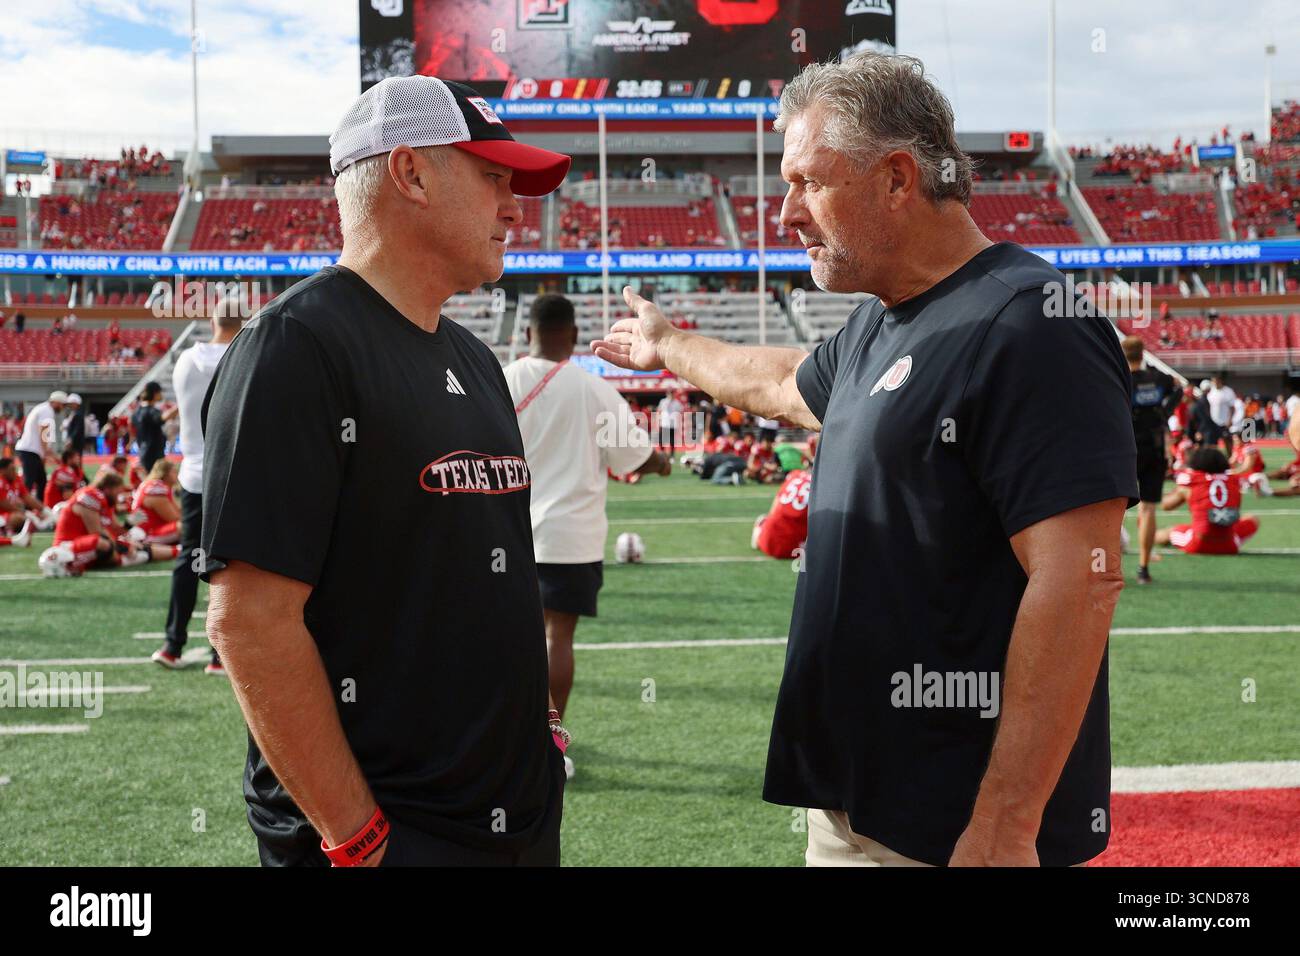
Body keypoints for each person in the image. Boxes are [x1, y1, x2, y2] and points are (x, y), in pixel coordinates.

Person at [593, 52, 1136, 867]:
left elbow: (1078, 578)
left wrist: (1006, 823)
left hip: (955, 827)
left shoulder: (1033, 324)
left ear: (894, 178)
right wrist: (669, 345)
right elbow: (781, 384)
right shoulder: (886, 321)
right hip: (859, 802)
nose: (785, 214)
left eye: (807, 182)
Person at [200, 75, 572, 867]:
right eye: (494, 177)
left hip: (511, 816)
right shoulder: (295, 349)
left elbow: (493, 567)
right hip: (391, 833)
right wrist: (356, 836)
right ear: (409, 173)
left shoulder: (472, 358)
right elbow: (250, 622)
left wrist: (539, 728)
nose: (515, 207)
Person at [504, 294, 670, 778]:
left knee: (513, 641)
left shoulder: (501, 380)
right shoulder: (590, 388)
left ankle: (507, 742)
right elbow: (635, 458)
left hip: (506, 536)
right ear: (574, 337)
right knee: (558, 638)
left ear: (526, 334)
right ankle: (549, 746)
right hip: (569, 537)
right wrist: (661, 464)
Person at [151, 298, 241, 675]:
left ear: (211, 320)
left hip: (192, 474)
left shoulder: (187, 360)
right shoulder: (243, 355)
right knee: (232, 566)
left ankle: (173, 644)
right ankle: (220, 654)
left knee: (190, 559)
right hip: (233, 475)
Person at [40, 470, 177, 577]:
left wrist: (128, 527)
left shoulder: (105, 502)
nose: (119, 496)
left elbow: (115, 530)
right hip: (68, 546)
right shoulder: (90, 496)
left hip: (90, 545)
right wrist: (124, 545)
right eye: (118, 492)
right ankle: (121, 558)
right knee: (105, 544)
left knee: (135, 545)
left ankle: (179, 551)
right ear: (108, 489)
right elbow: (97, 532)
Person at [1122, 336, 1180, 584]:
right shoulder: (1157, 379)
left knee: (1114, 509)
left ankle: (1108, 568)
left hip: (1126, 448)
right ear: (1142, 353)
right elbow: (1178, 388)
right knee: (1148, 508)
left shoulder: (1121, 379)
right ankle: (1143, 569)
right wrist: (1164, 413)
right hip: (1155, 448)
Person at [1156, 447, 1259, 555]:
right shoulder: (1234, 481)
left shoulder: (1191, 481)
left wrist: (1179, 491)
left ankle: (1151, 536)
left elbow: (1165, 505)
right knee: (1253, 519)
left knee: (1170, 531)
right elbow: (1234, 512)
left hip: (1198, 542)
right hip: (1229, 545)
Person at [14, 390, 65, 502]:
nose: (63, 408)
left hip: (31, 450)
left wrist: (49, 454)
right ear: (56, 402)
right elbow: (43, 431)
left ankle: (37, 505)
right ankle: (24, 507)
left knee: (40, 480)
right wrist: (45, 453)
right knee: (30, 481)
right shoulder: (47, 411)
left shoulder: (43, 409)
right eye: (62, 404)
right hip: (30, 451)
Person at [128, 459, 181, 544]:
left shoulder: (161, 486)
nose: (177, 474)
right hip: (146, 533)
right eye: (174, 472)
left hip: (151, 528)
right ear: (165, 473)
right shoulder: (156, 489)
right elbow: (173, 518)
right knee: (185, 525)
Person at [131, 382, 167, 472]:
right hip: (154, 453)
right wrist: (179, 407)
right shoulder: (151, 411)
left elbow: (130, 424)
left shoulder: (137, 411)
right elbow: (162, 418)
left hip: (143, 451)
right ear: (155, 393)